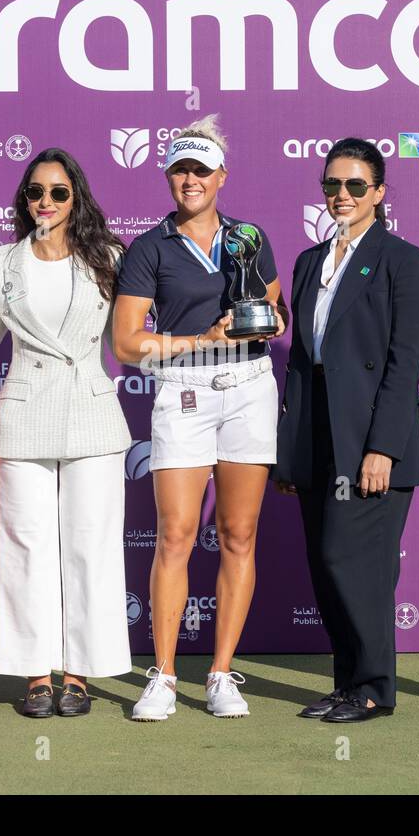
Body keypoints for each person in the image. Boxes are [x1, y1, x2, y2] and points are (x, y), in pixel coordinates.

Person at [112, 114, 286, 721]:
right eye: (180, 169)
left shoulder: (250, 238)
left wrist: (269, 320)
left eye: (201, 170)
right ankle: (162, 675)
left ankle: (219, 674)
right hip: (183, 387)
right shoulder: (149, 247)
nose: (190, 179)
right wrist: (196, 341)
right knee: (176, 534)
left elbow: (275, 308)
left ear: (221, 177)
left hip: (248, 385)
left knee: (238, 534)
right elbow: (128, 344)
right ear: (167, 176)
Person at [273, 138, 419, 723]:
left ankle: (373, 688)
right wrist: (290, 453)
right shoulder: (309, 261)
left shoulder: (401, 258)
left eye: (355, 185)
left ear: (379, 193)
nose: (342, 195)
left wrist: (383, 447)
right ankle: (347, 684)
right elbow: (300, 364)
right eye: (332, 185)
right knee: (325, 563)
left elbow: (404, 358)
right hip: (318, 436)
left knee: (354, 562)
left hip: (371, 439)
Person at [0, 148, 133, 718]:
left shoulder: (110, 258)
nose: (46, 202)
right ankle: (37, 673)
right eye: (36, 192)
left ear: (77, 199)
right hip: (22, 415)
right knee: (25, 545)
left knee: (90, 545)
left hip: (91, 413)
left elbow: (131, 339)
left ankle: (81, 673)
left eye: (58, 193)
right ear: (24, 200)